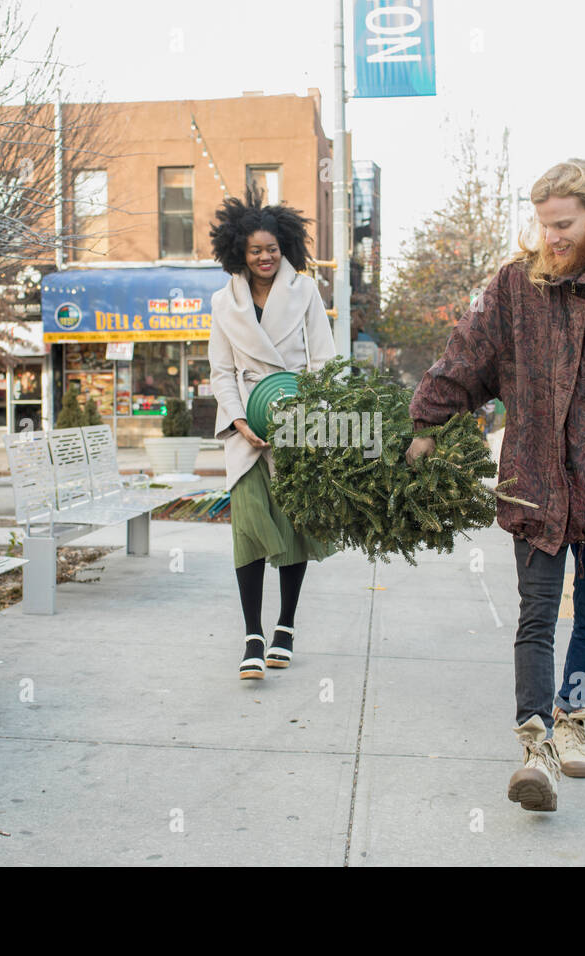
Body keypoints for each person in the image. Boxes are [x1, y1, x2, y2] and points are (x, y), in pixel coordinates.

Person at [406, 159, 585, 812]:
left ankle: (573, 721)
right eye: (543, 226)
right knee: (536, 615)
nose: (552, 238)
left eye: (563, 224)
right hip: (534, 481)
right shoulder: (517, 285)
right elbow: (467, 356)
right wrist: (426, 421)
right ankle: (535, 745)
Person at [208, 187, 339, 680]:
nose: (265, 257)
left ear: (284, 247)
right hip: (245, 432)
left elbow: (324, 360)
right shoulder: (224, 302)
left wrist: (308, 415)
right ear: (239, 252)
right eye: (255, 250)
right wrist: (241, 419)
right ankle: (252, 636)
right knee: (248, 532)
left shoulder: (304, 291)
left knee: (293, 527)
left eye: (272, 248)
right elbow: (221, 371)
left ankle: (285, 626)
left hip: (297, 424)